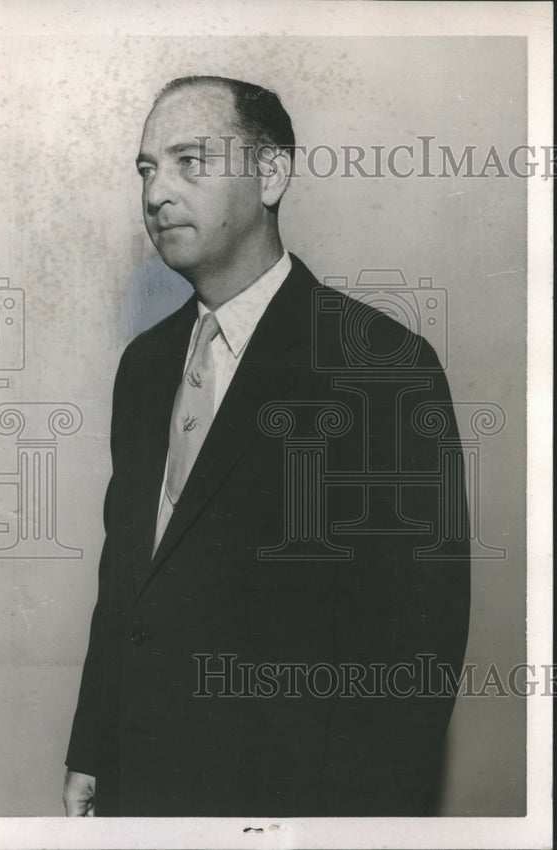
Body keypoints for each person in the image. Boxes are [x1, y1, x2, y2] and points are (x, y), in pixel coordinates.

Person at [63, 75, 470, 817]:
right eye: (147, 169)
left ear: (272, 174)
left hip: (288, 805)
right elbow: (125, 580)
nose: (157, 194)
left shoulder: (379, 367)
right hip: (136, 795)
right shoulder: (146, 366)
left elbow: (420, 643)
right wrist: (91, 750)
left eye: (191, 162)